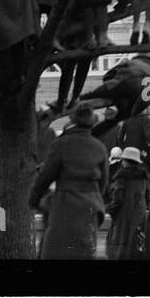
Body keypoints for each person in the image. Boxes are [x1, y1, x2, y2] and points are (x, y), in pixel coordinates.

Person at [29, 102, 109, 259]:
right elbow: (103, 183)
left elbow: (45, 177)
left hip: (65, 205)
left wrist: (33, 200)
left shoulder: (60, 145)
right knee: (84, 251)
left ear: (73, 121)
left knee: (56, 250)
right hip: (91, 206)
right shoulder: (99, 147)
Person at [106, 147, 150, 259]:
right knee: (136, 244)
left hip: (124, 216)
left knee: (120, 244)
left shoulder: (121, 176)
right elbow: (148, 195)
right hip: (139, 214)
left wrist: (110, 209)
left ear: (125, 161)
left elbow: (118, 198)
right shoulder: (144, 176)